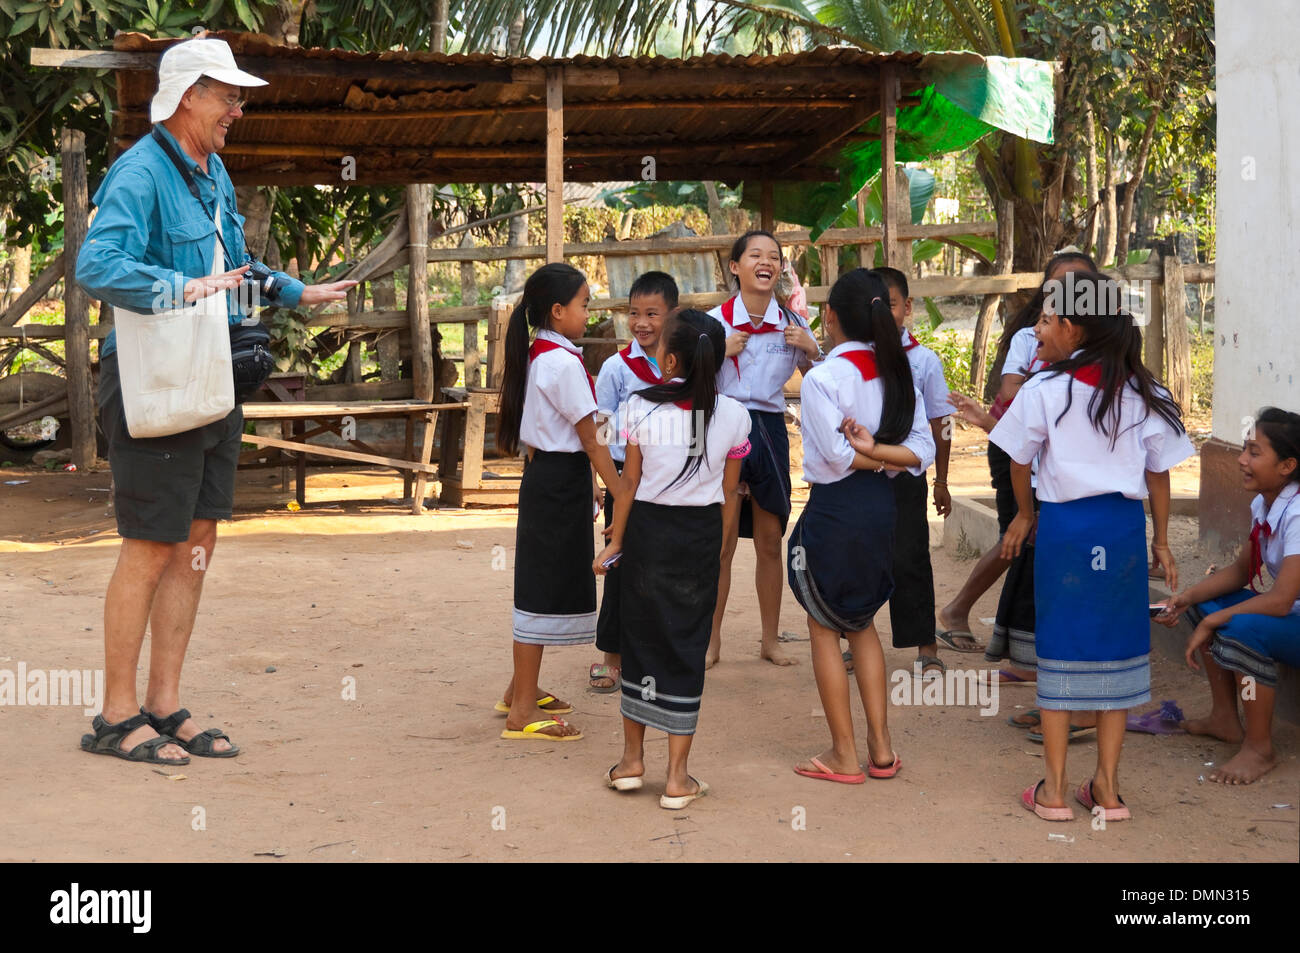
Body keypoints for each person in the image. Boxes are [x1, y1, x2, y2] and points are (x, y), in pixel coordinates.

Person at [76, 38, 354, 766]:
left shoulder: (213, 171)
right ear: (185, 96)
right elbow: (97, 264)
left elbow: (233, 267)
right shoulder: (139, 172)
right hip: (154, 381)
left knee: (197, 540)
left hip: (213, 375)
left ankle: (164, 702)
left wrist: (295, 291)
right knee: (150, 544)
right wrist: (175, 290)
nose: (239, 106)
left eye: (238, 94)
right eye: (227, 94)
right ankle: (114, 712)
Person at [990, 270, 1191, 821]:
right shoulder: (1146, 391)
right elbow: (1159, 474)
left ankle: (1053, 792)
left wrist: (1025, 516)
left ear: (1076, 329)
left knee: (1061, 649)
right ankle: (1106, 789)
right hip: (1120, 532)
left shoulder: (1045, 389)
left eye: (1048, 320)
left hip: (1066, 534)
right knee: (1117, 650)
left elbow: (1019, 459)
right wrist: (1163, 540)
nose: (1038, 329)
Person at [595, 310, 751, 808]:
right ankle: (678, 778)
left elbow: (629, 485)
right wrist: (722, 548)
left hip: (646, 532)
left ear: (668, 360)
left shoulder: (639, 407)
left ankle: (631, 763)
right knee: (686, 645)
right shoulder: (735, 415)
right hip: (699, 536)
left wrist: (615, 541)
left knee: (640, 640)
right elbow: (730, 494)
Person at [788, 269, 934, 784]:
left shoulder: (824, 379)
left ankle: (844, 755)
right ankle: (881, 750)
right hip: (882, 508)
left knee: (825, 626)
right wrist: (884, 455)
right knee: (863, 623)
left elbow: (835, 455)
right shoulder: (898, 374)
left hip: (838, 510)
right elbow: (922, 451)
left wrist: (865, 451)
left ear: (829, 318)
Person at [941, 251, 1098, 665]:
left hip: (1055, 449)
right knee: (1019, 534)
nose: (1068, 291)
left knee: (1033, 541)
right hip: (1016, 444)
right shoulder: (1032, 338)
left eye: (1079, 283)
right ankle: (960, 610)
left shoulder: (1103, 346)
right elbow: (1011, 392)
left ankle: (1032, 642)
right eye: (1059, 284)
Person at [494, 263, 623, 742]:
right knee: (541, 589)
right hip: (557, 479)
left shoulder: (544, 353)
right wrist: (620, 486)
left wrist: (593, 477)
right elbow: (592, 436)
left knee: (539, 584)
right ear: (557, 310)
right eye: (584, 305)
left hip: (553, 475)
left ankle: (518, 690)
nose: (589, 314)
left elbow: (581, 432)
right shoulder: (561, 363)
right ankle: (522, 712)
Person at [1158, 407, 1300, 784]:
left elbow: (1282, 599)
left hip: (1293, 614)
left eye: (1254, 452)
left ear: (1287, 465)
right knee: (1204, 604)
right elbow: (1241, 571)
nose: (1241, 460)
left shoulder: (1299, 512)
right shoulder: (1266, 504)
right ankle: (1225, 718)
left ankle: (1259, 748)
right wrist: (1186, 599)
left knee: (1240, 629)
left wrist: (1214, 620)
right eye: (1244, 449)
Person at [707, 230, 822, 667]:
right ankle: (711, 640)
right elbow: (684, 381)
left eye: (774, 257)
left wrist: (813, 350)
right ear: (735, 267)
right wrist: (715, 352)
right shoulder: (713, 324)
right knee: (721, 543)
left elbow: (829, 380)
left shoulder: (794, 326)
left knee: (771, 541)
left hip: (771, 431)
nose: (766, 262)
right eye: (755, 254)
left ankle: (770, 640)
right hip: (723, 427)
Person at [588, 271, 677, 693]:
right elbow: (600, 430)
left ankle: (656, 659)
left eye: (653, 314)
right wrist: (599, 481)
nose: (642, 323)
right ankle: (611, 658)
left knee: (662, 570)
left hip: (672, 482)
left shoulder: (685, 365)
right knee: (620, 567)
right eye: (634, 313)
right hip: (625, 483)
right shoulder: (615, 368)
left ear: (672, 316)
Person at [869, 267, 959, 680]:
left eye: (888, 305)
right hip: (862, 473)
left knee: (911, 557)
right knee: (863, 556)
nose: (882, 314)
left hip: (906, 473)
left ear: (906, 308)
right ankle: (858, 639)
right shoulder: (854, 360)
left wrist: (940, 480)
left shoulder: (924, 361)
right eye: (872, 306)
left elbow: (942, 424)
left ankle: (926, 642)